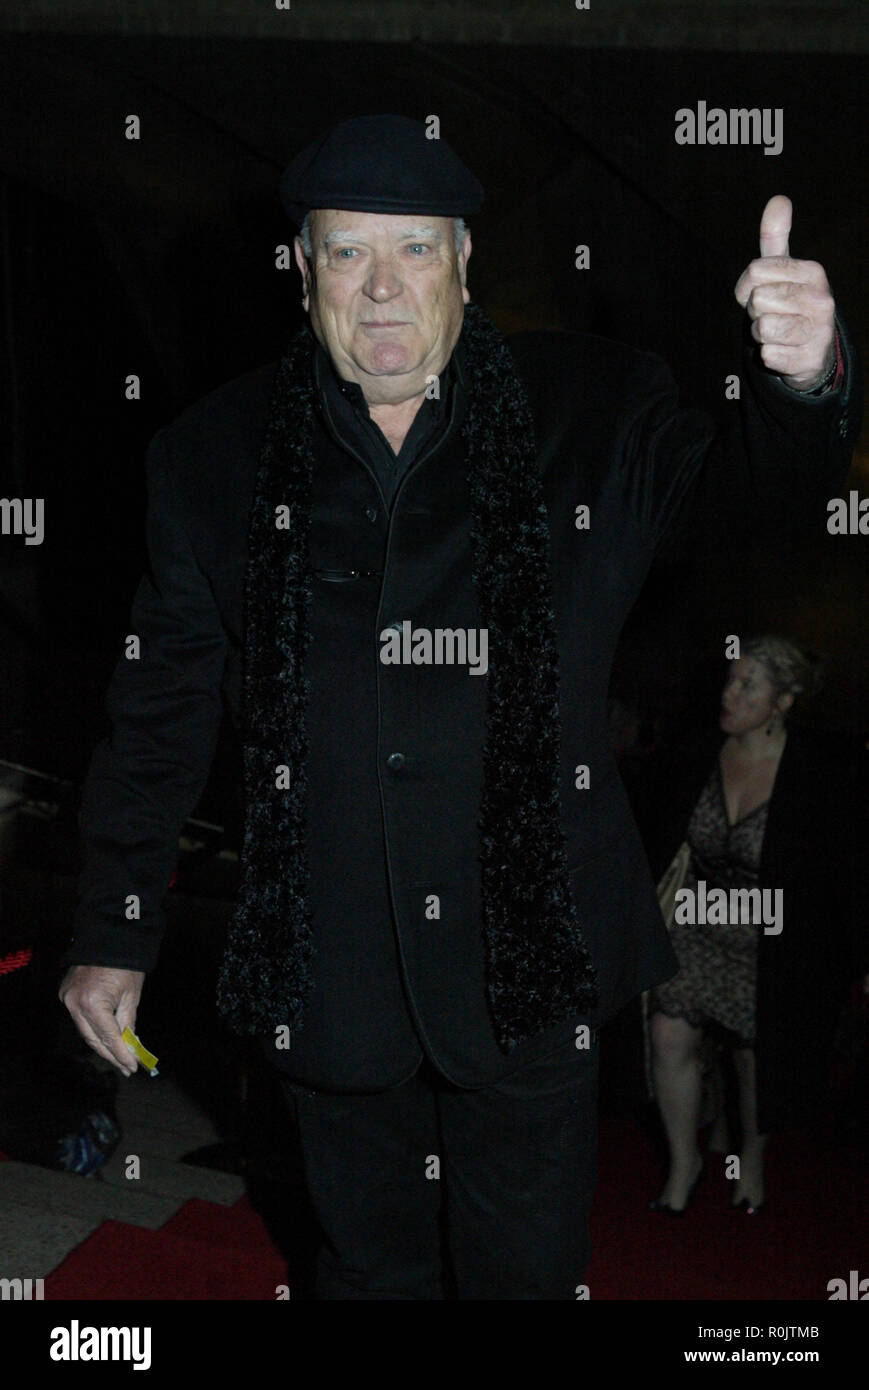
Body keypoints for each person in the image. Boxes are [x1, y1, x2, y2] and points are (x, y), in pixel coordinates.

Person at [58, 114, 859, 1298]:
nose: (382, 289)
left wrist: (805, 378)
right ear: (302, 270)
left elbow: (749, 500)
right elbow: (161, 710)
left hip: (534, 962)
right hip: (322, 963)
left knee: (523, 1275)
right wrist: (113, 929)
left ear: (465, 260)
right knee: (365, 1269)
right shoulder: (210, 458)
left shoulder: (591, 406)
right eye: (346, 255)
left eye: (415, 251)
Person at [648, 637, 869, 1215]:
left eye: (749, 685)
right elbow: (654, 839)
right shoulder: (696, 752)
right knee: (668, 1034)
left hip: (772, 942)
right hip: (696, 923)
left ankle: (750, 1154)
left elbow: (847, 871)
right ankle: (683, 1164)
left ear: (784, 702)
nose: (729, 694)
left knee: (755, 1060)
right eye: (730, 679)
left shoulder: (818, 774)